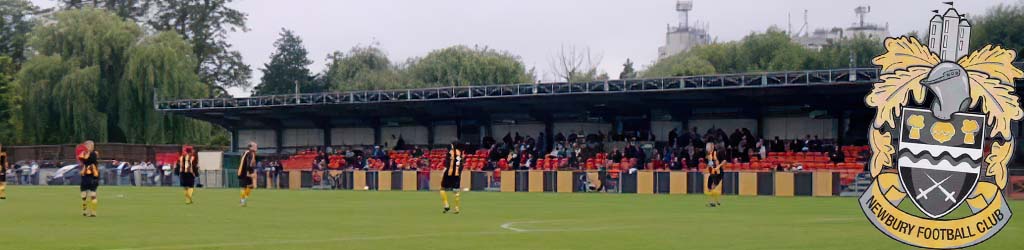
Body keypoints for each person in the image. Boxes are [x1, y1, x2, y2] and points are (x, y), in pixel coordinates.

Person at [439, 142, 465, 214]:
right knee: (456, 191)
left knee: (442, 189)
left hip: (449, 173)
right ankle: (456, 208)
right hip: (457, 174)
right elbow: (461, 164)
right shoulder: (460, 153)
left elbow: (447, 163)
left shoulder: (450, 152)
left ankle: (446, 205)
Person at [78, 141, 100, 217]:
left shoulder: (87, 154)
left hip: (88, 176)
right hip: (94, 176)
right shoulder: (95, 154)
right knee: (92, 194)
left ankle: (86, 211)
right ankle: (92, 212)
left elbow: (82, 159)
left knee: (85, 194)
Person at [238, 142, 258, 207]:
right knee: (244, 187)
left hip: (245, 172)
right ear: (250, 147)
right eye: (255, 146)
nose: (256, 147)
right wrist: (249, 173)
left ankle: (243, 200)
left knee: (249, 187)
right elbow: (248, 164)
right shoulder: (250, 153)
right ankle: (243, 201)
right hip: (244, 173)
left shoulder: (248, 152)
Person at [705, 142, 724, 207]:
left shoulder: (717, 153)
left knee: (713, 186)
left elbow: (722, 161)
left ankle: (712, 202)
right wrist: (706, 169)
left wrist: (718, 167)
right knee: (709, 188)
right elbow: (710, 164)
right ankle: (717, 201)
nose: (707, 148)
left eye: (708, 147)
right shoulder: (709, 155)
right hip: (712, 173)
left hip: (718, 173)